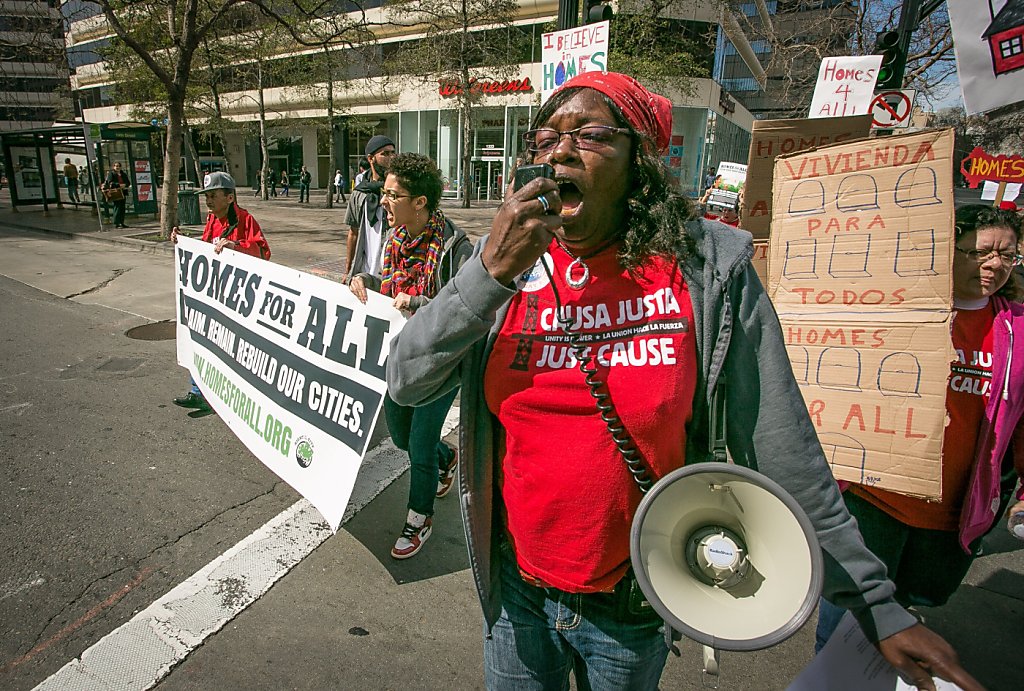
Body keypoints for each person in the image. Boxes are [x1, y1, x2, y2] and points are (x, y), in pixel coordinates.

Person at [385, 71, 982, 691]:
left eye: (589, 134)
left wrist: (875, 602)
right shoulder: (504, 264)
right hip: (516, 591)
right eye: (546, 138)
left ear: (641, 160)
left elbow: (781, 442)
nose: (559, 150)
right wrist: (490, 273)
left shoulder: (705, 271)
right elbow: (406, 378)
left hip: (632, 605)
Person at [815, 204, 1024, 652]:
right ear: (947, 247)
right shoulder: (900, 309)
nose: (994, 265)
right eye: (980, 252)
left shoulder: (1017, 329)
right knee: (845, 625)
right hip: (876, 499)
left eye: (1007, 256)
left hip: (954, 514)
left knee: (908, 616)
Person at [349, 153, 472, 558]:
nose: (383, 201)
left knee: (418, 446)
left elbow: (465, 305)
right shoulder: (395, 239)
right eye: (384, 193)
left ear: (419, 201)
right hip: (399, 358)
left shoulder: (455, 245)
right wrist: (361, 280)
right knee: (401, 437)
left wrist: (419, 300)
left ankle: (419, 519)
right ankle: (446, 456)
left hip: (439, 362)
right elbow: (384, 283)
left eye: (391, 194)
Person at [170, 172, 271, 411]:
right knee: (203, 338)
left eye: (213, 196)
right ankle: (198, 392)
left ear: (229, 197)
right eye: (206, 196)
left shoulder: (245, 220)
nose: (208, 201)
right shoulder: (212, 220)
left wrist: (237, 246)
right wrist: (183, 241)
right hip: (215, 294)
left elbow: (264, 252)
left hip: (238, 299)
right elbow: (205, 249)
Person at [343, 135, 396, 283]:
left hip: (393, 272)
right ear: (371, 158)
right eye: (385, 154)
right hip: (366, 272)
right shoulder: (359, 193)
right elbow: (353, 233)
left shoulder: (399, 190)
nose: (391, 157)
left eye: (393, 152)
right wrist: (348, 270)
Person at [102, 161, 131, 228]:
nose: (117, 167)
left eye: (119, 166)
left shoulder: (123, 174)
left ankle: (122, 222)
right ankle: (117, 223)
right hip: (116, 192)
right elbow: (110, 182)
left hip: (123, 192)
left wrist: (125, 185)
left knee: (122, 208)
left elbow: (128, 182)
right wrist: (119, 185)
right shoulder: (111, 174)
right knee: (117, 207)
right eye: (116, 166)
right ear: (114, 167)